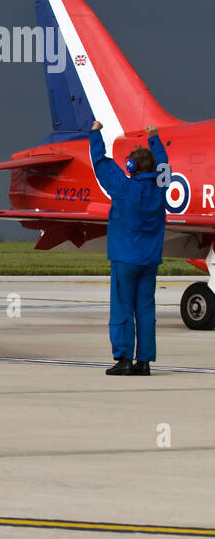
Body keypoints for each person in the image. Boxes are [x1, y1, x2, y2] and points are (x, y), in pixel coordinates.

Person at [90, 119, 168, 375]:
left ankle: (124, 359)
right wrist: (154, 139)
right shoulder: (160, 188)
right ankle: (144, 362)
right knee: (146, 310)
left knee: (122, 308)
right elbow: (165, 166)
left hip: (125, 259)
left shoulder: (124, 188)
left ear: (131, 166)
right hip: (150, 259)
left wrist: (95, 134)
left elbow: (101, 164)